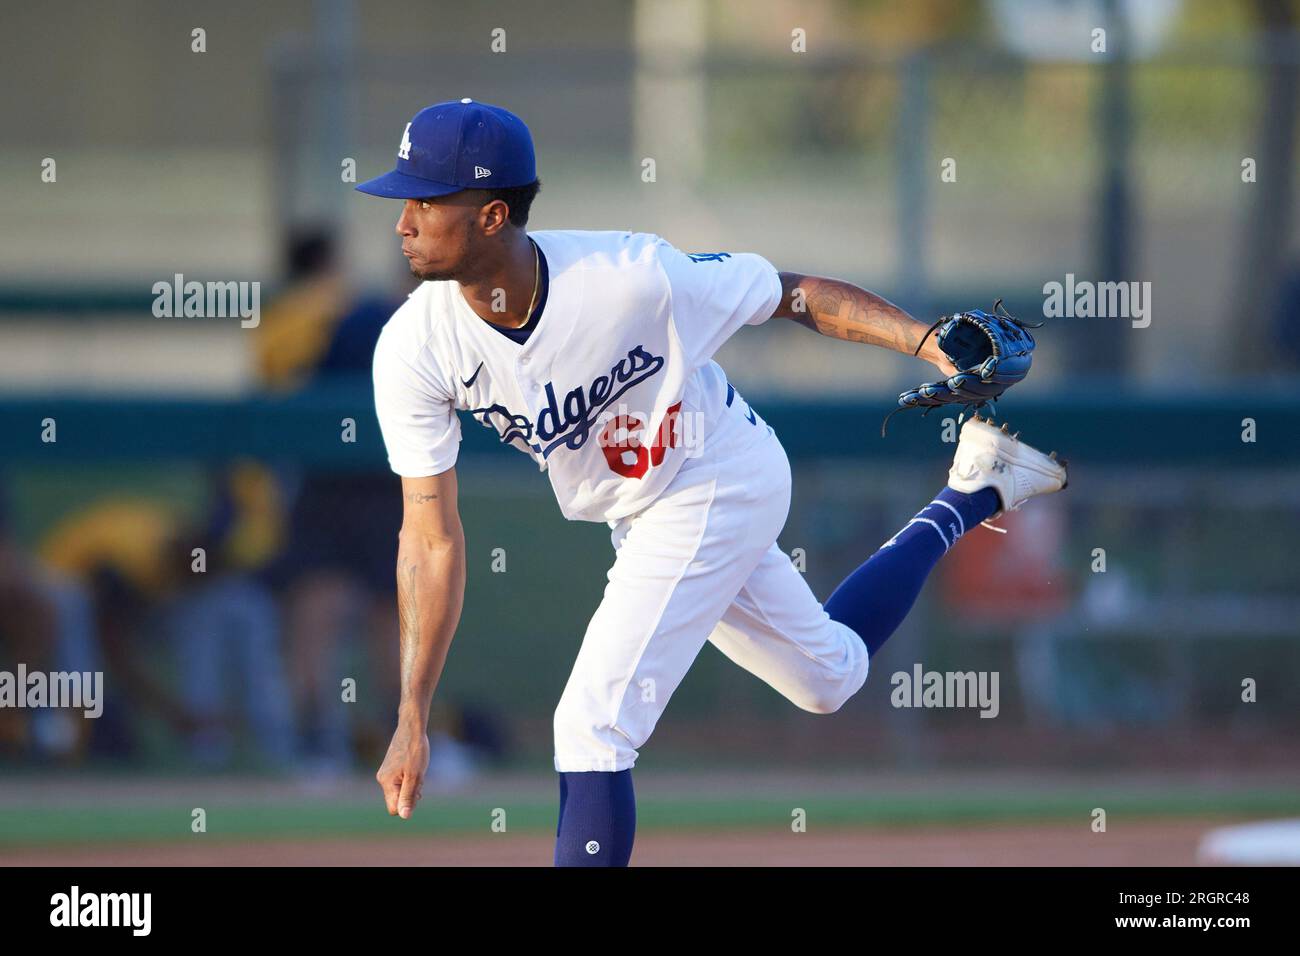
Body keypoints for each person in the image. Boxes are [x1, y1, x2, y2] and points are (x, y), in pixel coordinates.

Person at [358, 99, 1067, 866]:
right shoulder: (412, 347)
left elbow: (789, 295)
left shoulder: (631, 279)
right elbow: (429, 539)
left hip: (719, 474)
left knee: (592, 722)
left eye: (425, 200)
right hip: (638, 510)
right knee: (827, 677)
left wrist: (926, 344)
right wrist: (412, 709)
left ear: (493, 214)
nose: (404, 220)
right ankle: (974, 488)